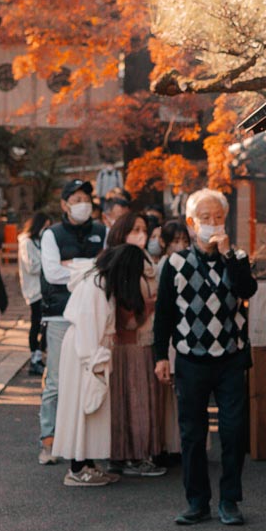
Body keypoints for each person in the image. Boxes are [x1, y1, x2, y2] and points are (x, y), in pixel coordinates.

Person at [153, 188, 257, 527]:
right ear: (191, 223)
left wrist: (229, 256)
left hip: (230, 357)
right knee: (192, 435)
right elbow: (164, 314)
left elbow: (247, 291)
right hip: (190, 358)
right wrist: (160, 356)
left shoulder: (237, 257)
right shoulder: (175, 263)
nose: (213, 224)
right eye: (205, 219)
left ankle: (230, 500)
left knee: (233, 432)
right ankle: (197, 502)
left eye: (218, 218)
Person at [39, 179, 107, 466]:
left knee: (91, 375)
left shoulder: (102, 231)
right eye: (77, 198)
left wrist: (75, 266)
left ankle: (87, 441)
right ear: (64, 204)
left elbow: (108, 266)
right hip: (59, 313)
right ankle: (49, 438)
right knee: (55, 380)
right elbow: (53, 273)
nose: (83, 204)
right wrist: (90, 267)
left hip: (94, 313)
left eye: (86, 198)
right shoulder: (51, 234)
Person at [103, 211, 168, 478]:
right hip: (130, 343)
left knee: (136, 400)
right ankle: (134, 455)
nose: (141, 235)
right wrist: (154, 306)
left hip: (142, 341)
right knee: (134, 400)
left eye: (144, 229)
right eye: (135, 229)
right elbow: (126, 313)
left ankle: (131, 454)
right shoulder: (124, 262)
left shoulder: (142, 260)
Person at [53, 252, 120, 489]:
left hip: (87, 347)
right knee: (82, 406)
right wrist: (95, 360)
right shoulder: (97, 286)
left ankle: (86, 462)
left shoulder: (97, 281)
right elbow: (89, 325)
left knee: (90, 407)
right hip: (86, 350)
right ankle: (78, 467)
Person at [17, 212, 51, 373]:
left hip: (45, 287)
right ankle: (34, 358)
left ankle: (39, 354)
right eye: (45, 226)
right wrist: (49, 264)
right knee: (36, 322)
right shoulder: (26, 242)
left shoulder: (40, 241)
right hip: (34, 288)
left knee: (45, 323)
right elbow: (32, 266)